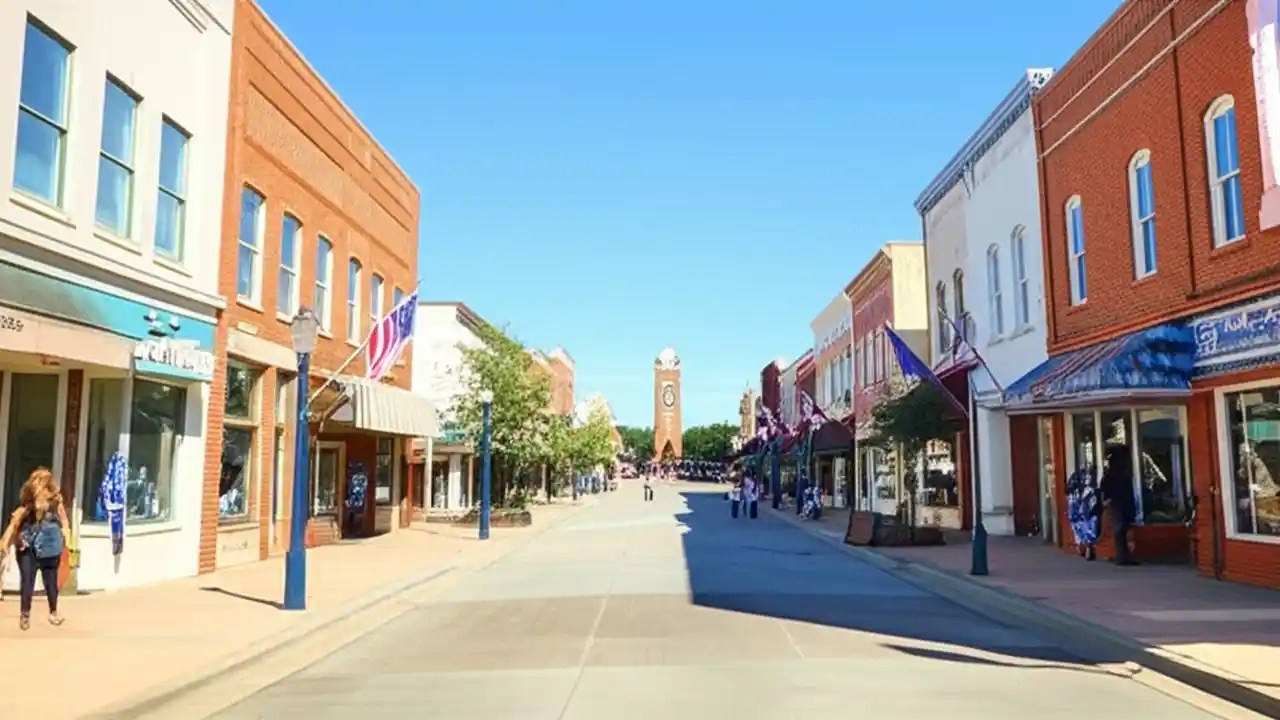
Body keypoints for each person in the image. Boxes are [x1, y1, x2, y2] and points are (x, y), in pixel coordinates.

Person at [0, 468, 71, 630]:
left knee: (50, 581)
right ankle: (25, 614)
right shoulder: (27, 506)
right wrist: (6, 543)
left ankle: (53, 612)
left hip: (49, 547)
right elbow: (14, 524)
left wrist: (67, 537)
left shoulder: (55, 502)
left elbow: (64, 520)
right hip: (27, 546)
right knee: (28, 580)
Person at [1101, 445, 1138, 566]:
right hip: (1120, 502)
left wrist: (1107, 498)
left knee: (1119, 529)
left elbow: (1104, 486)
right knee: (1122, 528)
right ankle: (1123, 556)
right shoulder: (1123, 472)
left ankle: (1121, 555)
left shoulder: (1111, 472)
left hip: (1116, 502)